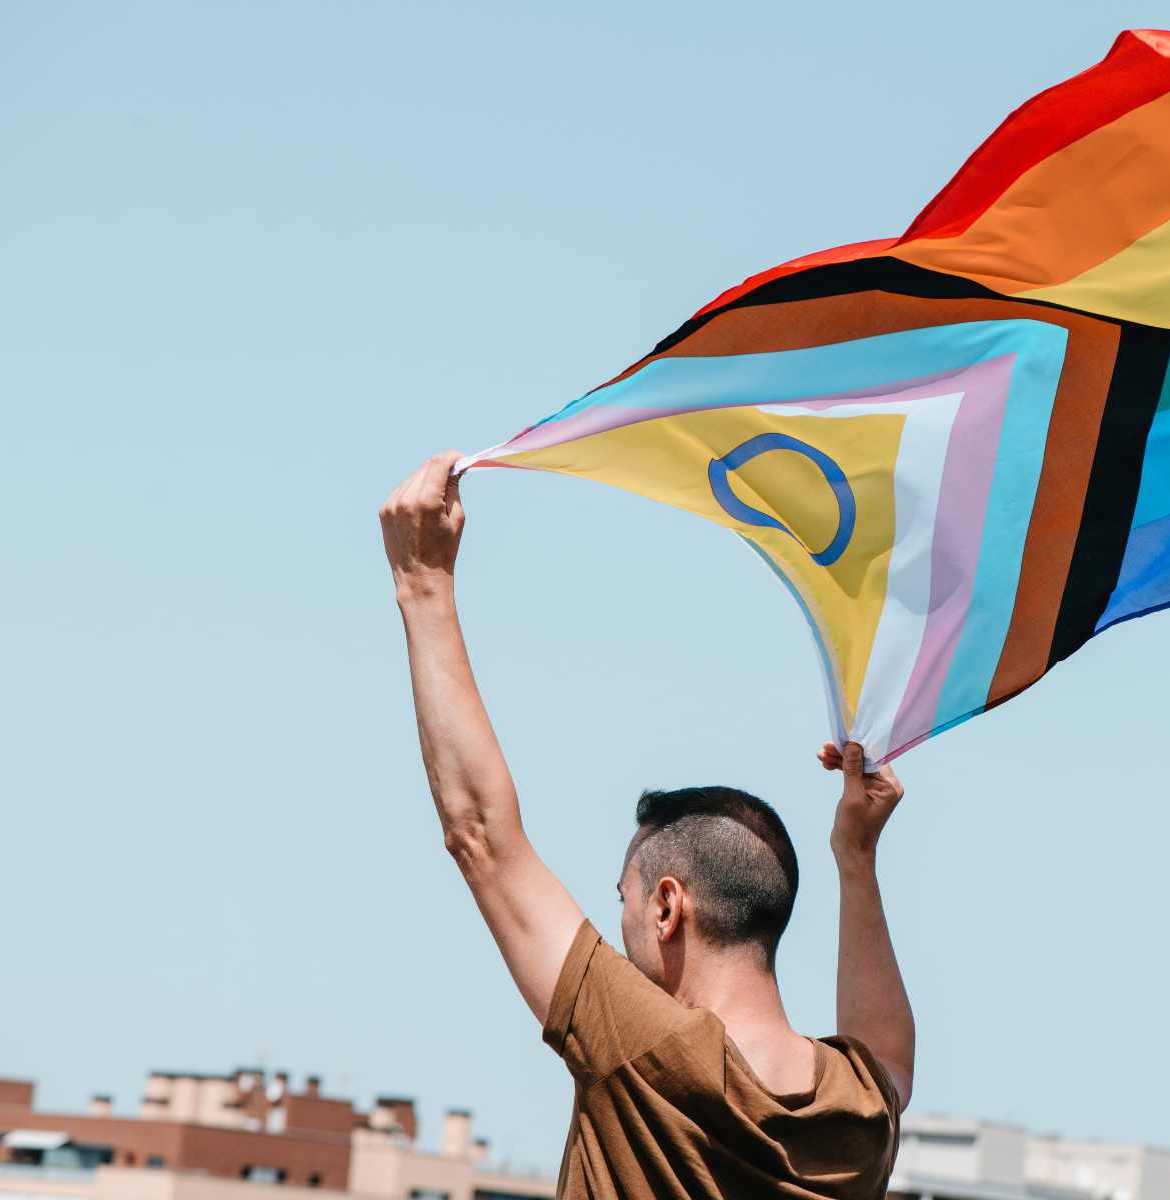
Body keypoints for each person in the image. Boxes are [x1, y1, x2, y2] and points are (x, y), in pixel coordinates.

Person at [379, 451, 915, 1200]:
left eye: (623, 898)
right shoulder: (858, 1112)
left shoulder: (641, 1048)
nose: (618, 925)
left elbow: (481, 836)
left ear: (668, 905)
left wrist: (422, 584)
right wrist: (857, 859)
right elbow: (891, 1058)